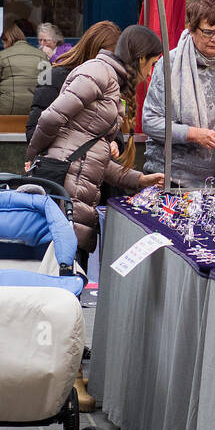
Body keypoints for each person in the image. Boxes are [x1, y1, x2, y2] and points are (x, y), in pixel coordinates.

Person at [27, 25, 166, 257]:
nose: (150, 73)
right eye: (152, 64)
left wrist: (140, 179)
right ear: (140, 58)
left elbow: (95, 156)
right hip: (66, 197)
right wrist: (34, 156)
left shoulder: (111, 81)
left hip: (77, 199)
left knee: (69, 278)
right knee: (59, 279)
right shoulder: (98, 73)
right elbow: (51, 117)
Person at [142, 0, 215, 188]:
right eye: (208, 32)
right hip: (171, 178)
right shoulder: (169, 64)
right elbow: (150, 121)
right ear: (191, 29)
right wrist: (192, 134)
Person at [27, 20, 121, 144]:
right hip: (63, 159)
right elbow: (35, 131)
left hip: (96, 159)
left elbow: (114, 128)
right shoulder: (56, 77)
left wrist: (115, 143)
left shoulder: (111, 80)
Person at [0, 22, 48, 115]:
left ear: (9, 40)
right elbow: (48, 87)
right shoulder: (43, 56)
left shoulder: (2, 56)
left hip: (5, 109)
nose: (3, 46)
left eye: (4, 43)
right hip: (35, 110)